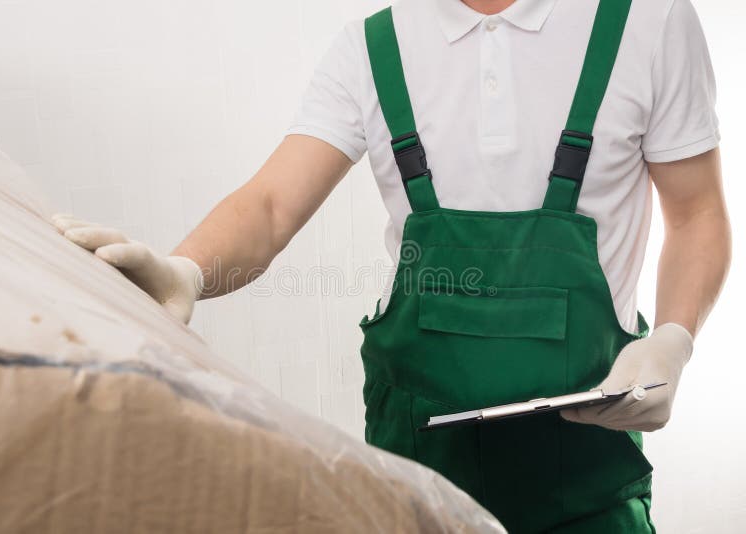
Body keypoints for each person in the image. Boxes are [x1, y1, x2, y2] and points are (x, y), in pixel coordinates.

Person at [54, 0, 731, 531]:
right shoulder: (372, 48)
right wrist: (187, 271)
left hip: (589, 492)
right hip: (415, 489)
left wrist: (673, 340)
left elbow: (698, 213)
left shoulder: (647, 23)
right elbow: (269, 206)